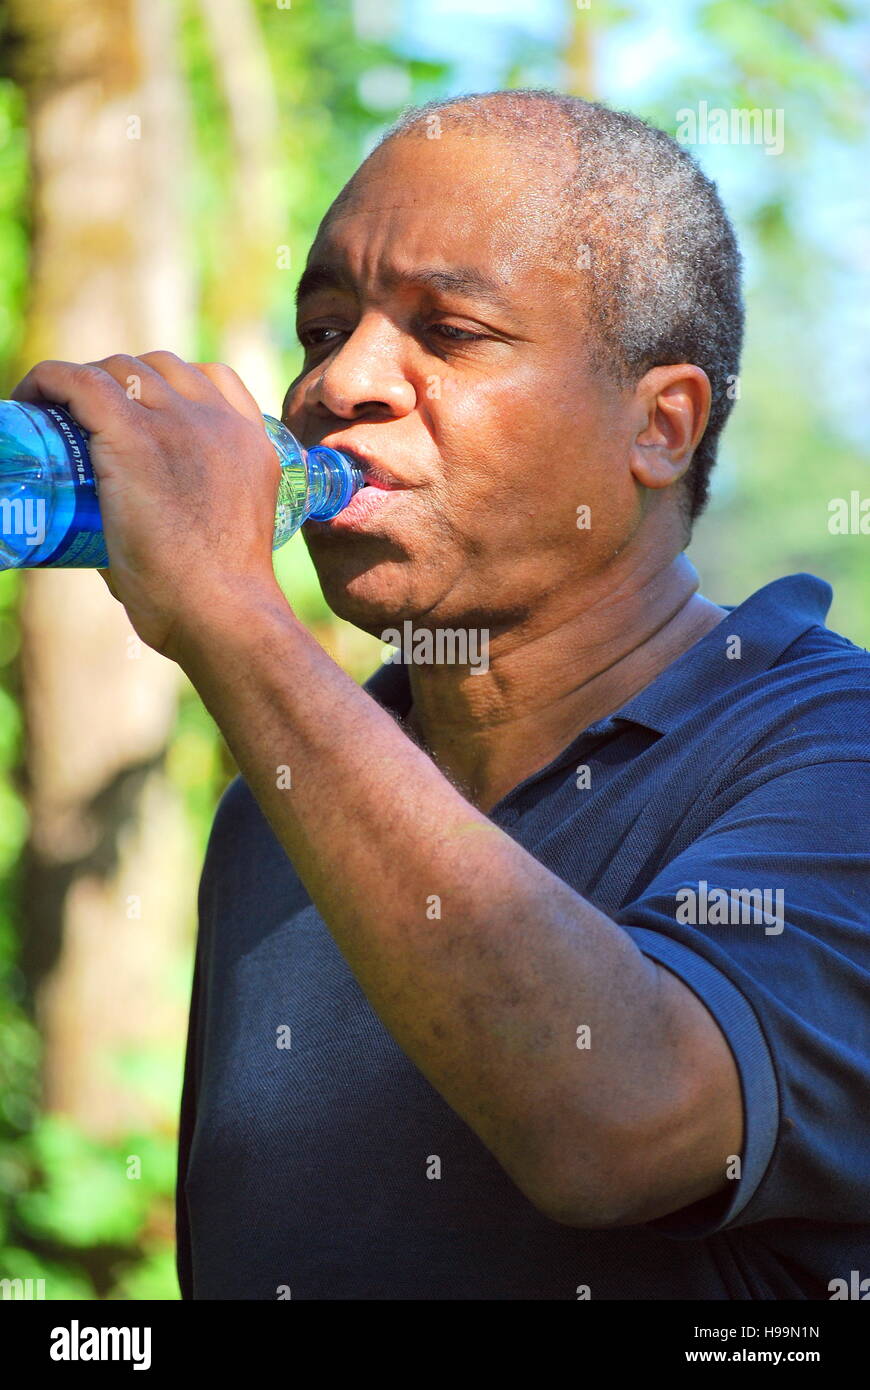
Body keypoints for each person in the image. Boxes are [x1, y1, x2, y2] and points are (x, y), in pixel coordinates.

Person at [13, 90, 869, 1300]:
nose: (337, 383)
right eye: (321, 327)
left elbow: (621, 1122)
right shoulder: (277, 817)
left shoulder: (830, 754)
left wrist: (230, 613)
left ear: (661, 426)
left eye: (452, 332)